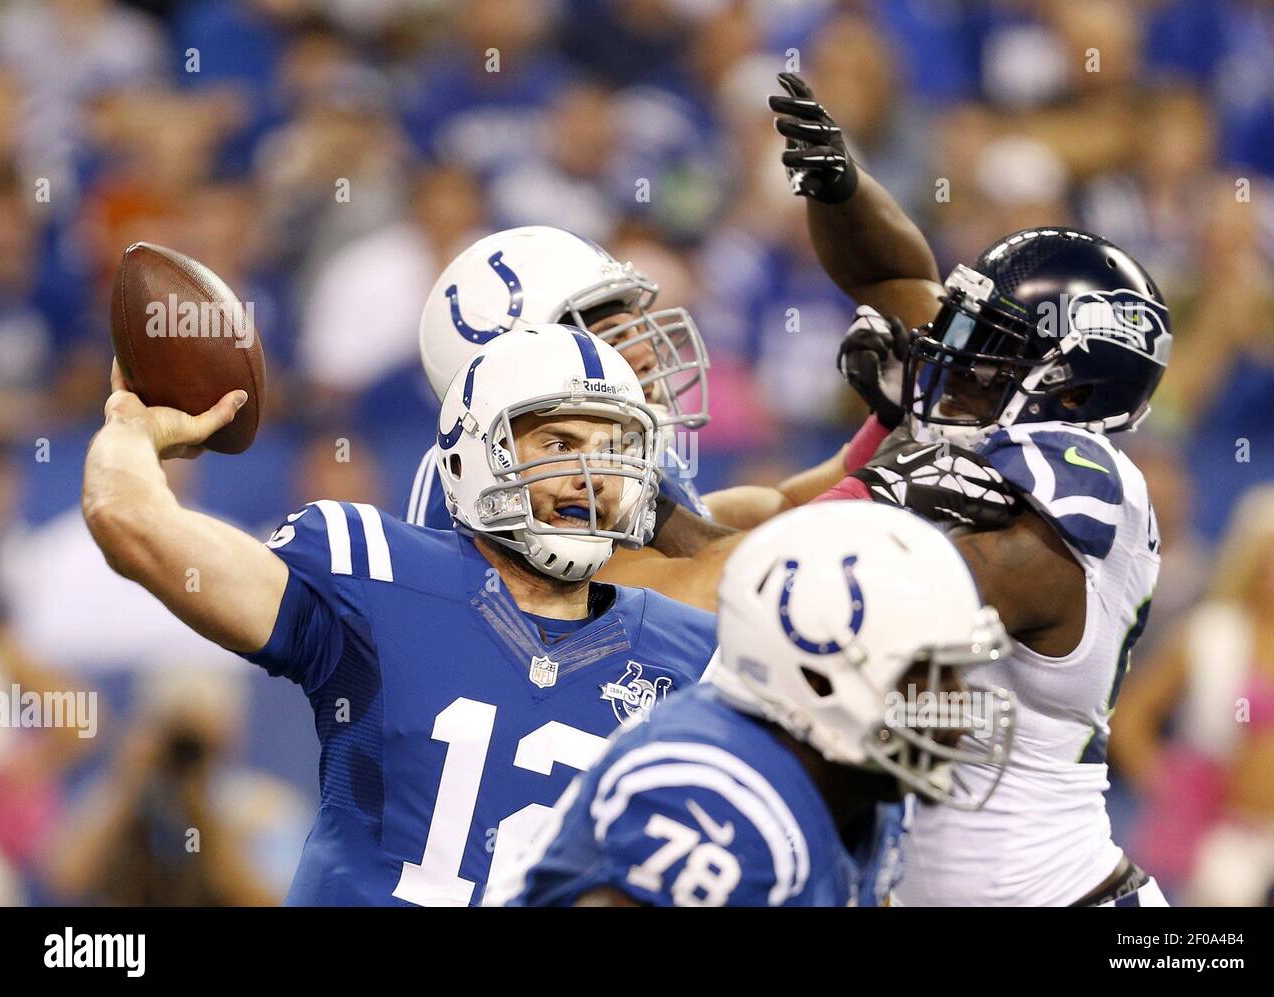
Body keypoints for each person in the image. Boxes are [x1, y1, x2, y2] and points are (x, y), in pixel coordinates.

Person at [81, 324, 719, 905]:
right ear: (476, 451)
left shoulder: (696, 655)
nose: (592, 475)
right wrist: (133, 431)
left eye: (613, 450)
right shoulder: (373, 572)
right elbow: (132, 523)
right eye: (559, 442)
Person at [773, 74, 1171, 906]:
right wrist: (843, 189)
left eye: (982, 356)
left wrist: (877, 474)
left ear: (1068, 387)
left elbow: (817, 593)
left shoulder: (1078, 495)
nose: (945, 368)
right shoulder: (979, 436)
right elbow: (896, 279)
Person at [492, 503, 1016, 907]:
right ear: (816, 676)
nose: (955, 701)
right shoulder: (715, 802)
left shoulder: (861, 776)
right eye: (928, 674)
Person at [409, 225, 898, 609]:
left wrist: (895, 420)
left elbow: (775, 510)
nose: (645, 353)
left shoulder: (606, 454)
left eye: (636, 328)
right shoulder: (533, 482)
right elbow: (713, 588)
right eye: (613, 342)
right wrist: (875, 490)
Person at [1112, 485, 1274, 906]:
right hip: (1229, 838)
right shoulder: (1212, 633)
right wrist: (1169, 786)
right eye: (1273, 562)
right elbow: (1130, 715)